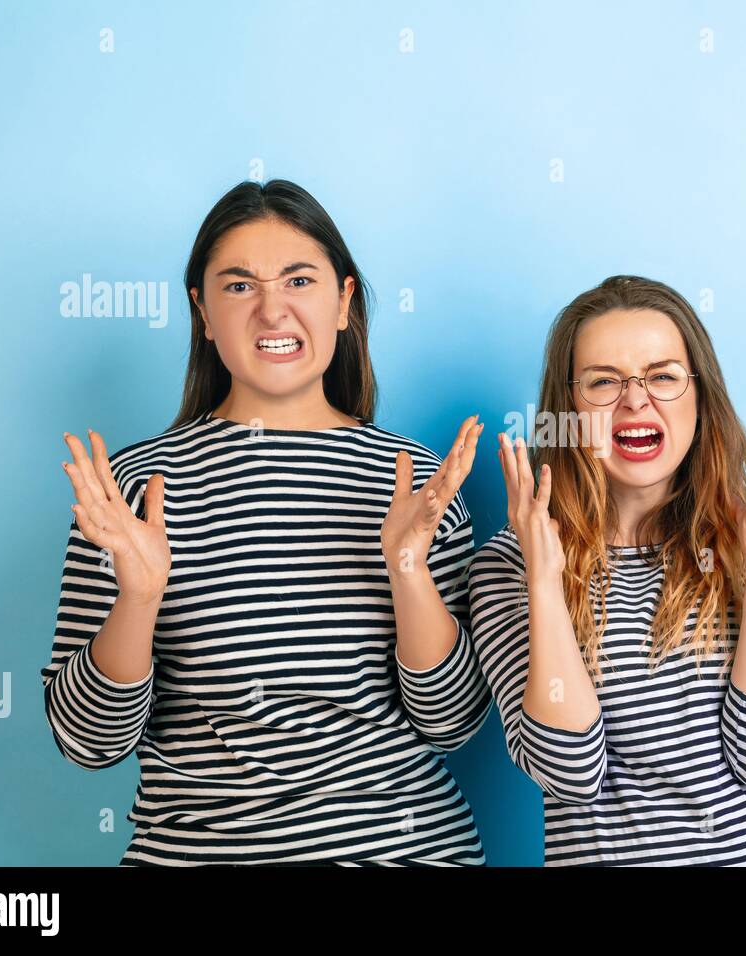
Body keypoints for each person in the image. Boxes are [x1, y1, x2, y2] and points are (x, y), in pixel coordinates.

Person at [41, 179, 490, 865]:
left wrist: (408, 572)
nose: (272, 310)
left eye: (299, 281)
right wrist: (139, 596)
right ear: (203, 311)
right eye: (240, 286)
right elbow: (88, 743)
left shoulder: (417, 483)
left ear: (343, 302)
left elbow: (452, 723)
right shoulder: (131, 491)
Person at [468, 274, 746, 865]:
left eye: (663, 376)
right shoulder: (508, 567)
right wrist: (542, 581)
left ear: (700, 396)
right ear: (568, 409)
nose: (635, 401)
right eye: (603, 382)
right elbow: (570, 772)